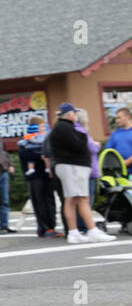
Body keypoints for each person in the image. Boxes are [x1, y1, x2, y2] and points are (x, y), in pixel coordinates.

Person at [50, 103, 114, 242]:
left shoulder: (59, 128)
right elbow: (78, 145)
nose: (76, 115)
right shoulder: (67, 128)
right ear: (69, 114)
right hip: (73, 166)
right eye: (74, 112)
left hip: (66, 166)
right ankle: (91, 230)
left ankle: (74, 232)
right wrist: (84, 137)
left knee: (71, 199)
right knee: (82, 199)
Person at [17, 117, 59, 238]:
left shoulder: (46, 139)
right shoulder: (26, 141)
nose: (44, 128)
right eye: (41, 126)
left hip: (47, 174)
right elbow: (26, 155)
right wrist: (42, 154)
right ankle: (44, 228)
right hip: (35, 176)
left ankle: (51, 227)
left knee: (49, 200)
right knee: (39, 201)